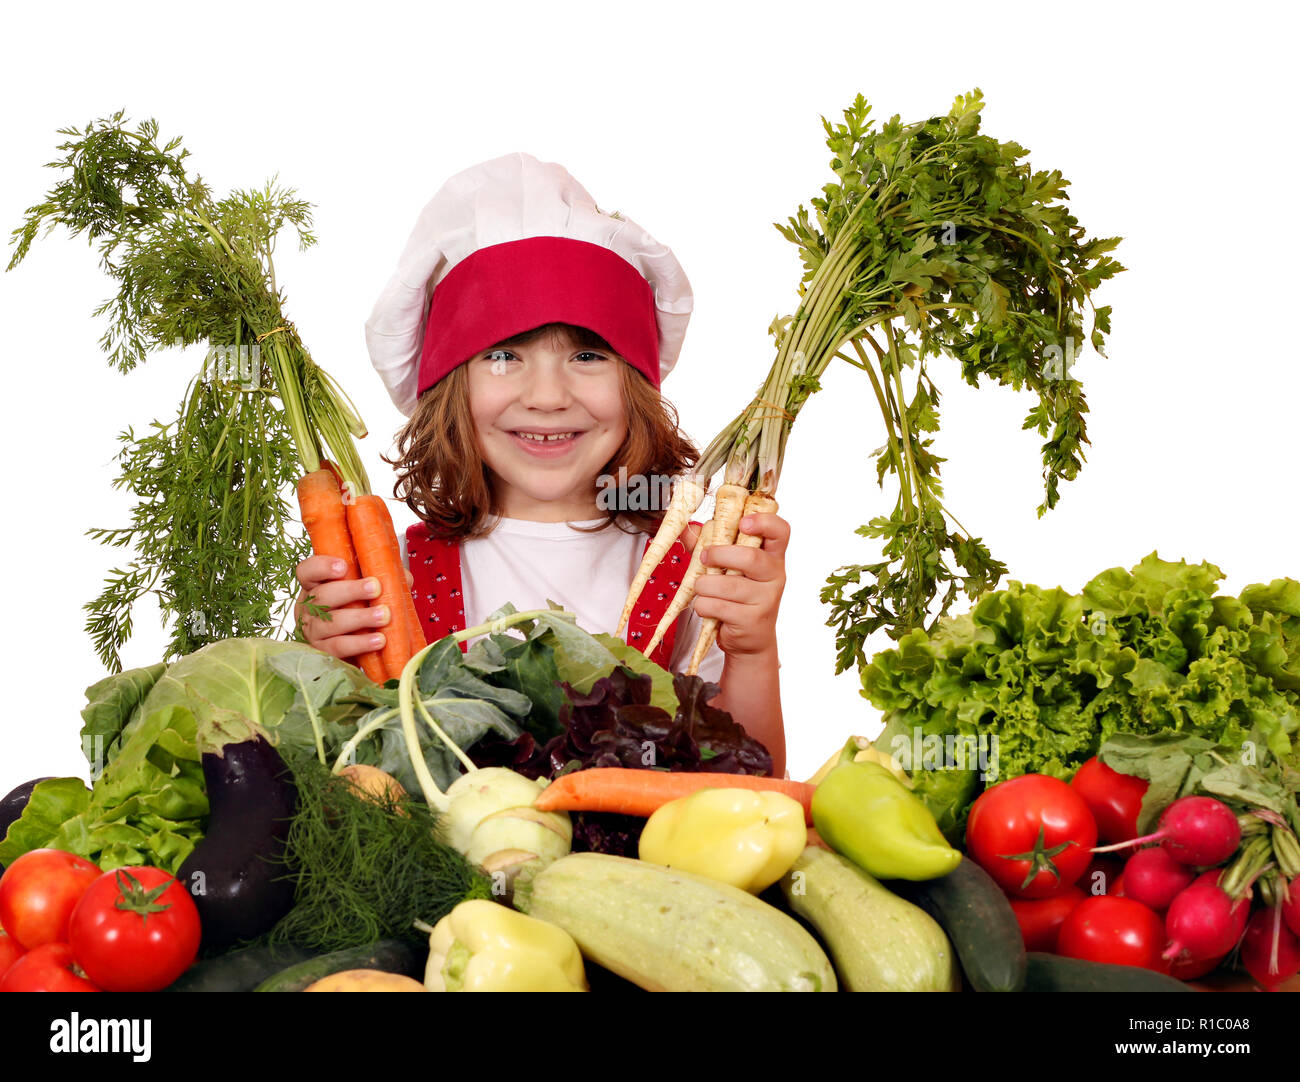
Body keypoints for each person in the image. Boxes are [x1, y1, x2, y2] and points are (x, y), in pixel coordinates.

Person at [295, 153, 790, 774]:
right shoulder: (389, 574)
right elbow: (348, 785)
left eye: (587, 356)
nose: (549, 396)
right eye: (504, 356)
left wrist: (752, 651)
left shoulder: (692, 574)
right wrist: (328, 660)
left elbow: (758, 791)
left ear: (636, 386)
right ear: (451, 388)